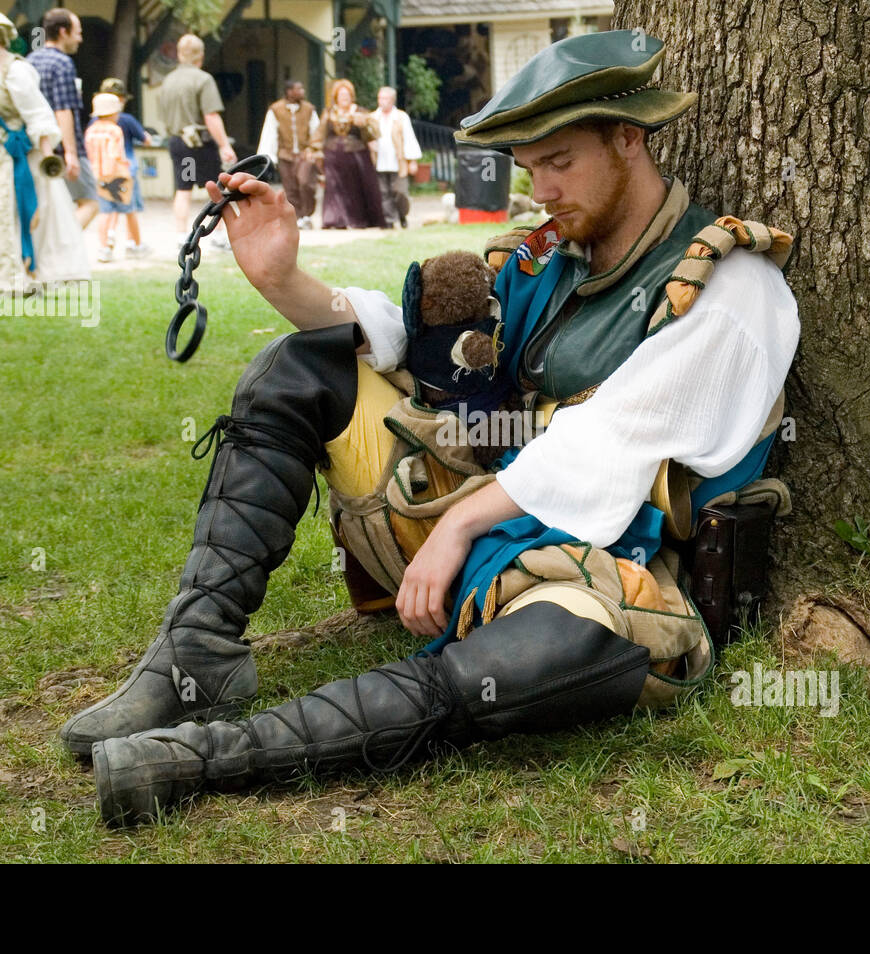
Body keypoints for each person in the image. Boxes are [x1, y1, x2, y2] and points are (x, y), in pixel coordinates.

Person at [67, 30, 800, 827]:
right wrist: (283, 277)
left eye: (559, 161)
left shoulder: (732, 286)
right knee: (301, 363)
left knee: (562, 650)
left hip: (599, 565)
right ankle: (198, 653)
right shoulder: (543, 261)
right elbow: (417, 347)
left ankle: (208, 758)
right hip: (469, 520)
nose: (542, 188)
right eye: (530, 168)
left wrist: (461, 524)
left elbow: (618, 433)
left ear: (628, 139)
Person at [0, 7, 89, 293]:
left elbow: (38, 115)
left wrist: (48, 157)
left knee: (30, 214)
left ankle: (30, 272)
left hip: (23, 157)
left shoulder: (18, 70)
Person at [159, 33, 235, 250]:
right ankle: (219, 236)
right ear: (200, 56)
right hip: (200, 144)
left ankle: (181, 234)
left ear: (179, 54)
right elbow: (211, 116)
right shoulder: (203, 79)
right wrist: (224, 145)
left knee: (183, 188)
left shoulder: (168, 80)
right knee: (215, 188)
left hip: (178, 142)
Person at [27, 8, 96, 229]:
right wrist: (72, 154)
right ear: (64, 32)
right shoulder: (63, 63)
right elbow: (63, 110)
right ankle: (67, 244)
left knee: (49, 206)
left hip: (38, 147)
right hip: (63, 149)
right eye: (78, 32)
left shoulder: (30, 60)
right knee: (91, 202)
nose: (80, 38)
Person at [313, 78, 385, 229]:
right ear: (336, 97)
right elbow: (320, 133)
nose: (344, 98)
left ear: (351, 96)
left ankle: (357, 220)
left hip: (357, 155)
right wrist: (315, 150)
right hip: (333, 155)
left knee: (355, 188)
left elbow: (374, 134)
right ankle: (335, 220)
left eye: (346, 95)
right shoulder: (329, 112)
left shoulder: (361, 112)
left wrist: (364, 124)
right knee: (334, 188)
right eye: (341, 95)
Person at [96, 77, 150, 258]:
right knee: (129, 208)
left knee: (107, 209)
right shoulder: (125, 120)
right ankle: (133, 244)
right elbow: (145, 140)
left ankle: (107, 241)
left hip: (100, 172)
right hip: (124, 169)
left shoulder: (92, 126)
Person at [257, 78, 319, 229]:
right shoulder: (276, 109)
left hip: (305, 154)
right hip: (285, 155)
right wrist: (268, 157)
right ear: (290, 92)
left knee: (305, 182)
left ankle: (307, 214)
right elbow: (269, 133)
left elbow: (316, 132)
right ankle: (297, 217)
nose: (302, 92)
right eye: (299, 89)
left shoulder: (309, 109)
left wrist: (314, 149)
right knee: (290, 187)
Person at [85, 92, 133, 263]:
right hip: (114, 175)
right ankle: (111, 243)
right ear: (113, 112)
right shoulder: (114, 130)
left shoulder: (91, 130)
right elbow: (115, 154)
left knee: (104, 212)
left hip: (95, 174)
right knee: (118, 209)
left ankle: (103, 246)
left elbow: (88, 153)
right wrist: (124, 167)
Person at [371, 85, 422, 229]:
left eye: (385, 98)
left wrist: (412, 161)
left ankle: (402, 214)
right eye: (380, 98)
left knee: (400, 191)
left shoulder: (401, 117)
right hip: (379, 161)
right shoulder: (373, 117)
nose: (382, 101)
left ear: (392, 100)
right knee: (383, 192)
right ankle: (388, 220)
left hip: (397, 161)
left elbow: (409, 138)